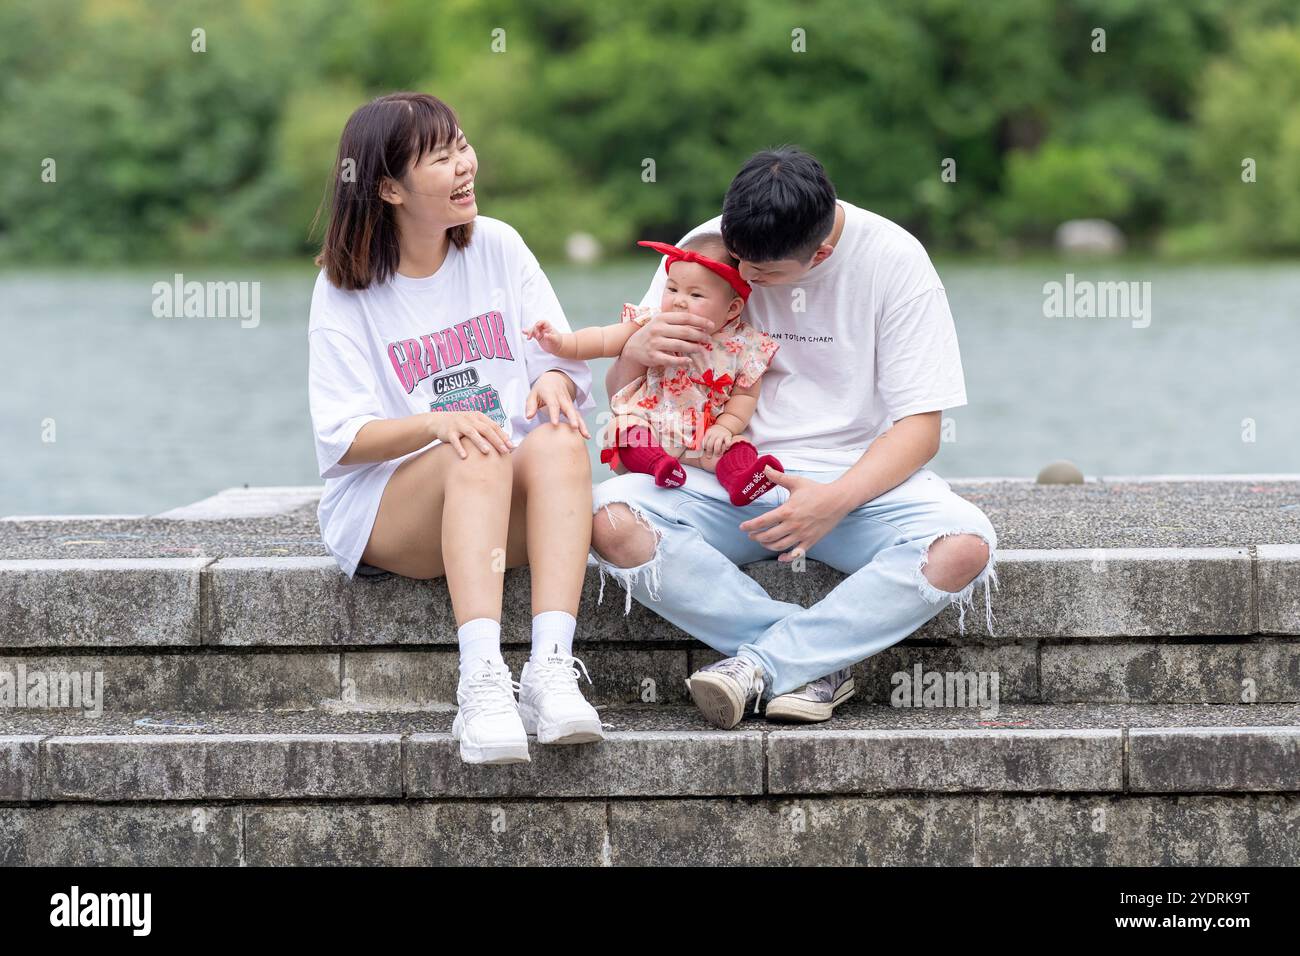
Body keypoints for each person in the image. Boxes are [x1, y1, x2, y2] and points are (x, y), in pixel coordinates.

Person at [590, 146, 1000, 729]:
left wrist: (835, 500)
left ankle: (758, 664)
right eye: (739, 260)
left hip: (849, 484)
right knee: (609, 517)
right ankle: (811, 663)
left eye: (764, 273)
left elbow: (921, 428)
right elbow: (630, 392)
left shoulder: (895, 262)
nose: (745, 276)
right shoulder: (705, 250)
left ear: (822, 252)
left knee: (964, 544)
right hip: (721, 475)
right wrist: (631, 352)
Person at [307, 92, 601, 765]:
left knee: (557, 436)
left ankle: (550, 670)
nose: (465, 165)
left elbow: (553, 359)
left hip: (495, 497)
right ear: (388, 188)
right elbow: (344, 441)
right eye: (441, 158)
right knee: (477, 444)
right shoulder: (345, 291)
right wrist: (438, 424)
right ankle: (481, 682)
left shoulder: (497, 245)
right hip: (393, 511)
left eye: (461, 146)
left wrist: (554, 379)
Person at [526, 234, 784, 505]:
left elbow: (745, 397)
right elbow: (603, 339)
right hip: (651, 426)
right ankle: (658, 466)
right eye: (672, 289)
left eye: (695, 294)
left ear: (732, 309)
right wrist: (561, 343)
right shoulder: (653, 323)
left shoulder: (744, 346)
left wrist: (725, 428)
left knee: (734, 449)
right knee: (624, 428)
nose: (680, 301)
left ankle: (742, 479)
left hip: (703, 434)